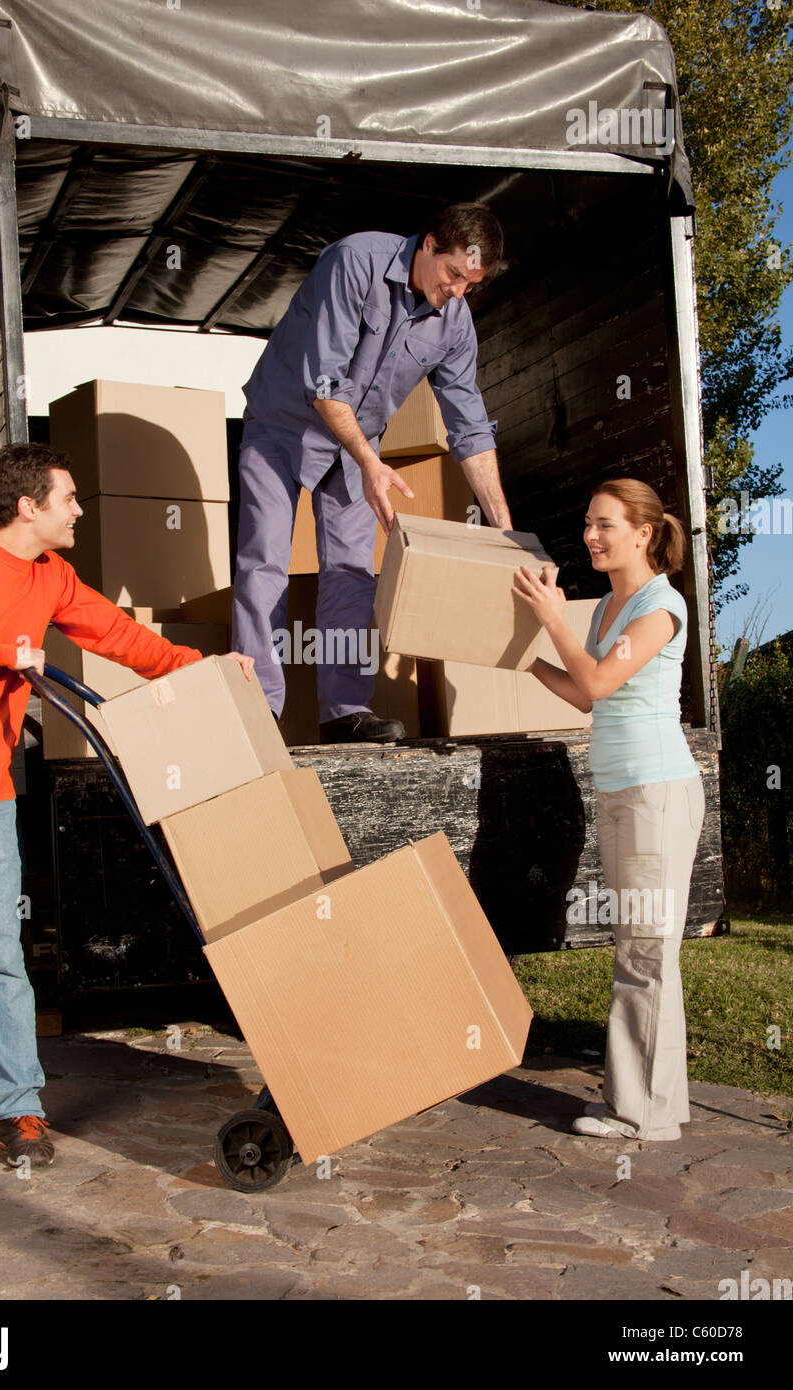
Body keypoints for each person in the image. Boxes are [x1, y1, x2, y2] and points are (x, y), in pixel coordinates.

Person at [0, 444, 254, 1169]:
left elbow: (120, 635)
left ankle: (18, 1110)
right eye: (68, 498)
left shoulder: (54, 577)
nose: (78, 509)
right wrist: (2, 651)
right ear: (28, 505)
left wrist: (207, 667)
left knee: (2, 960)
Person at [234, 201, 513, 743]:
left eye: (470, 285)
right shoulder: (355, 261)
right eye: (454, 274)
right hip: (282, 424)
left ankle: (344, 711)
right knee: (264, 560)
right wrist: (370, 463)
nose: (458, 292)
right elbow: (325, 384)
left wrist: (505, 531)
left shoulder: (455, 321)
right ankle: (257, 708)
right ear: (429, 244)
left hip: (359, 443)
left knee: (352, 572)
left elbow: (471, 429)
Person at [513, 479, 704, 1141]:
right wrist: (527, 659)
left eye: (605, 525)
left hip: (657, 794)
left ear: (643, 533)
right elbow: (584, 696)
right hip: (622, 793)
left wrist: (551, 619)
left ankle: (642, 1114)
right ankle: (651, 1104)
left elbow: (598, 679)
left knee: (646, 952)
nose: (591, 536)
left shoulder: (660, 606)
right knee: (636, 947)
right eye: (589, 525)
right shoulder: (607, 610)